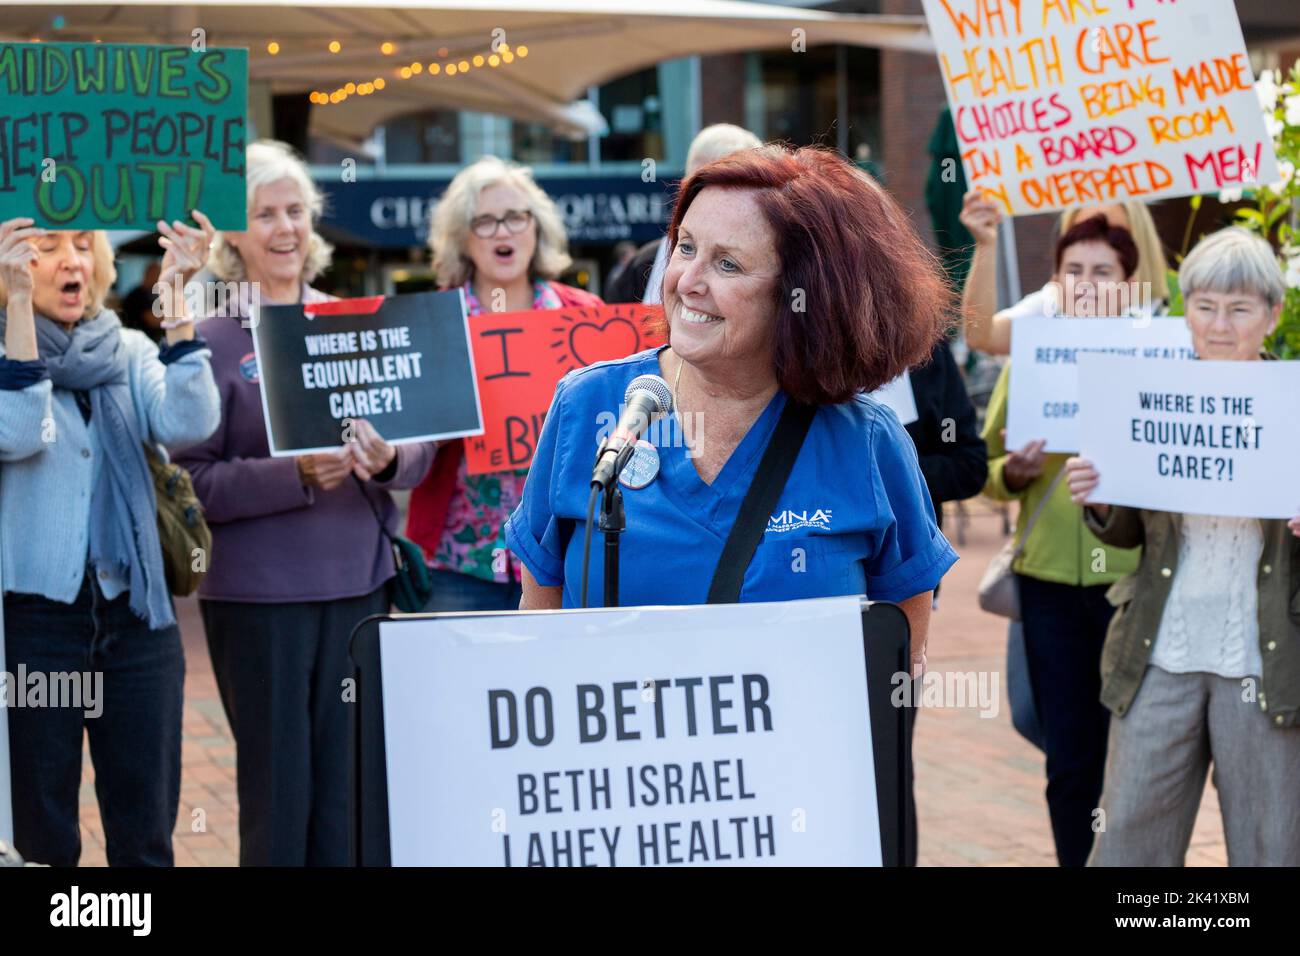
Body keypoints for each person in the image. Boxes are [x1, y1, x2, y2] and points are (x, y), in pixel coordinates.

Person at [507, 145, 958, 679]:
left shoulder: (865, 442)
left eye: (727, 263)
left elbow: (899, 663)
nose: (687, 282)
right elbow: (537, 632)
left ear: (803, 294)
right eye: (685, 247)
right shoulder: (588, 406)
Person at [174, 141, 436, 866]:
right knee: (279, 795)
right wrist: (290, 476)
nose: (286, 228)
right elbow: (190, 485)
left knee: (353, 794)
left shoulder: (354, 319)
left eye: (296, 211)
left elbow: (419, 444)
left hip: (359, 586)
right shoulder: (210, 339)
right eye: (265, 214)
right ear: (234, 232)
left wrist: (389, 459)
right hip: (259, 603)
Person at [1065, 227, 1300, 866]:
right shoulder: (1149, 400)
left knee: (1272, 844)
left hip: (1266, 659)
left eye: (1240, 308)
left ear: (1273, 315)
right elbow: (1127, 533)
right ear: (1185, 310)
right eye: (1204, 306)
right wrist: (1102, 498)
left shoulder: (1295, 407)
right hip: (1159, 647)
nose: (1219, 325)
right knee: (1129, 842)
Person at [0, 211, 220, 866]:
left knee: (145, 828)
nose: (71, 260)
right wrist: (16, 310)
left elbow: (191, 419)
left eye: (82, 245)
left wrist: (177, 302)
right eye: (46, 248)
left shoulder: (125, 350)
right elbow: (15, 432)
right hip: (35, 624)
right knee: (42, 832)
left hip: (137, 621)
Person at [980, 215, 1144, 866]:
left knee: (1134, 754)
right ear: (1055, 282)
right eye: (1073, 271)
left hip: (1132, 587)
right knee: (1068, 754)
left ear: (1128, 287)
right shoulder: (1031, 359)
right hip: (1047, 584)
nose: (1086, 284)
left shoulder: (1154, 361)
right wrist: (1010, 472)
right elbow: (987, 468)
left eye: (1102, 272)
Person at [405, 156, 602, 612]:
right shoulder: (436, 323)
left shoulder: (584, 315)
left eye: (515, 217)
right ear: (463, 239)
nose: (503, 231)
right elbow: (413, 445)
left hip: (562, 553)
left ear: (536, 228)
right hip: (460, 563)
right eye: (485, 221)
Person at [958, 191, 1170, 354]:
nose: (1086, 283)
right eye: (1084, 230)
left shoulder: (1172, 314)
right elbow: (980, 337)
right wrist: (986, 244)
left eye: (1113, 234)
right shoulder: (1052, 302)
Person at [605, 123, 763, 306]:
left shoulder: (773, 267)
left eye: (728, 264)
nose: (687, 284)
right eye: (697, 188)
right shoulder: (643, 266)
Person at [120, 260, 165, 342]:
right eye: (158, 274)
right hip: (137, 340)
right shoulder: (139, 295)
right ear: (149, 274)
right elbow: (153, 320)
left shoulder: (152, 294)